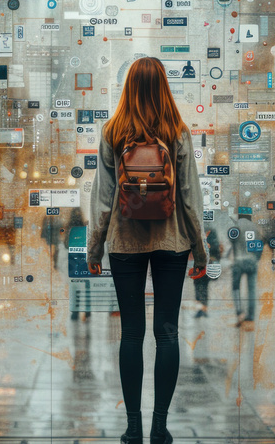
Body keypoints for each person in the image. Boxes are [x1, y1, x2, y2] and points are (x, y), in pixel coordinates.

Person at [86, 57, 207, 444]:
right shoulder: (178, 131)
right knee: (167, 333)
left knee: (132, 334)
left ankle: (132, 427)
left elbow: (103, 199)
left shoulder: (113, 132)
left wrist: (94, 249)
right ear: (164, 88)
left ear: (129, 87)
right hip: (173, 243)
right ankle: (160, 427)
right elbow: (190, 198)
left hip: (125, 243)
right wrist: (200, 252)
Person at [229, 215, 262, 326]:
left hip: (238, 261)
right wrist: (256, 259)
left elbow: (232, 240)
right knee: (252, 289)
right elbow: (260, 244)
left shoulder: (235, 226)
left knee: (236, 287)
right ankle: (251, 316)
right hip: (252, 261)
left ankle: (240, 313)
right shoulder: (255, 227)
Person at [194, 225, 222, 318]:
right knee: (200, 286)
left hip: (204, 262)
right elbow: (216, 247)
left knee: (200, 286)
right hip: (201, 261)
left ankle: (202, 308)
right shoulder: (208, 230)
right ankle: (201, 308)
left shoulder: (203, 229)